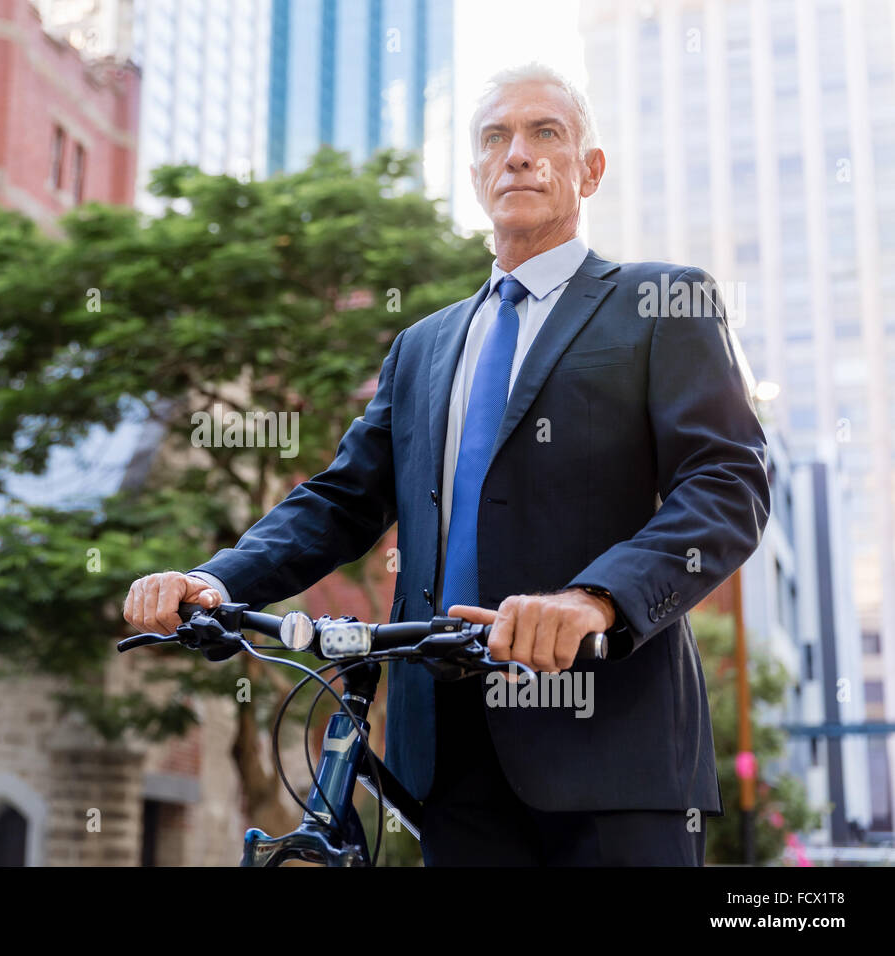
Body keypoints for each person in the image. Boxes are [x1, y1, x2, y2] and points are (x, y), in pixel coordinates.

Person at [123, 62, 770, 866]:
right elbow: (342, 500)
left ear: (590, 169)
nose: (518, 155)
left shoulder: (662, 301)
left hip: (613, 746)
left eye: (546, 134)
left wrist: (597, 599)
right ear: (474, 173)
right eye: (495, 138)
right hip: (448, 757)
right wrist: (217, 581)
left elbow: (728, 483)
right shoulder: (422, 345)